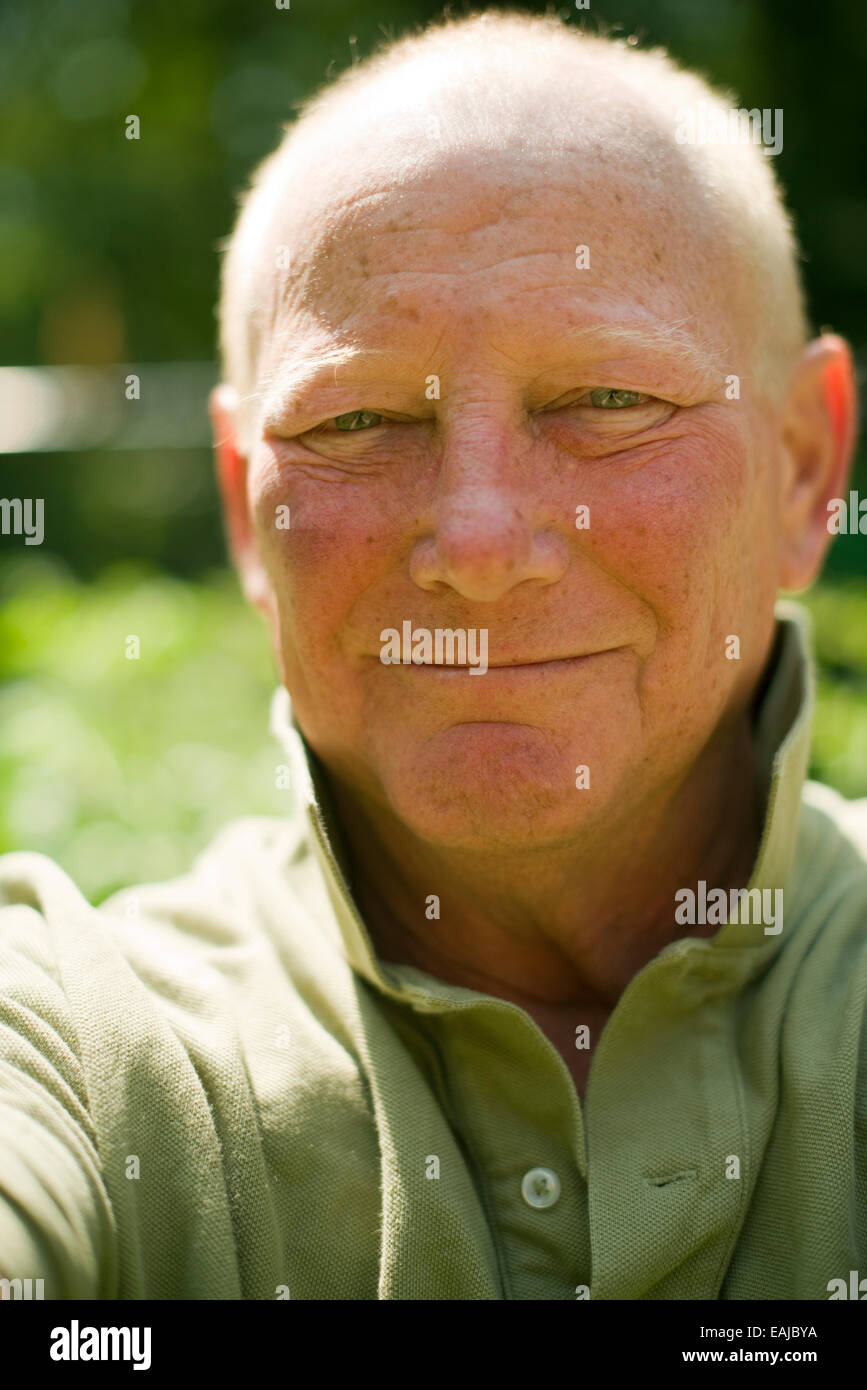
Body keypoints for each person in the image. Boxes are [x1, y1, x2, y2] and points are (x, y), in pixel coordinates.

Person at [1, 10, 864, 1301]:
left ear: (806, 467)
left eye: (606, 400)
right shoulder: (84, 1048)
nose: (475, 538)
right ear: (248, 509)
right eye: (357, 417)